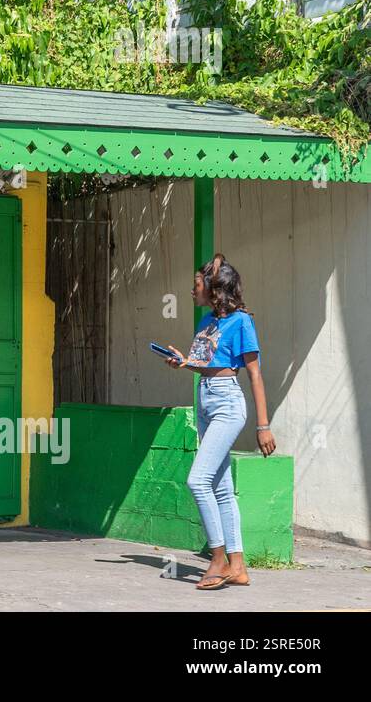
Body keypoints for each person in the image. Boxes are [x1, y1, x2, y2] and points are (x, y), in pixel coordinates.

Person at [164, 253, 276, 591]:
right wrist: (184, 363)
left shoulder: (241, 322)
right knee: (222, 488)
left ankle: (217, 558)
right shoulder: (205, 323)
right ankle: (238, 566)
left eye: (196, 285)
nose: (191, 291)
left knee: (198, 480)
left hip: (228, 402)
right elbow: (206, 364)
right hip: (205, 399)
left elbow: (254, 375)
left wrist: (263, 425)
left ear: (214, 289)